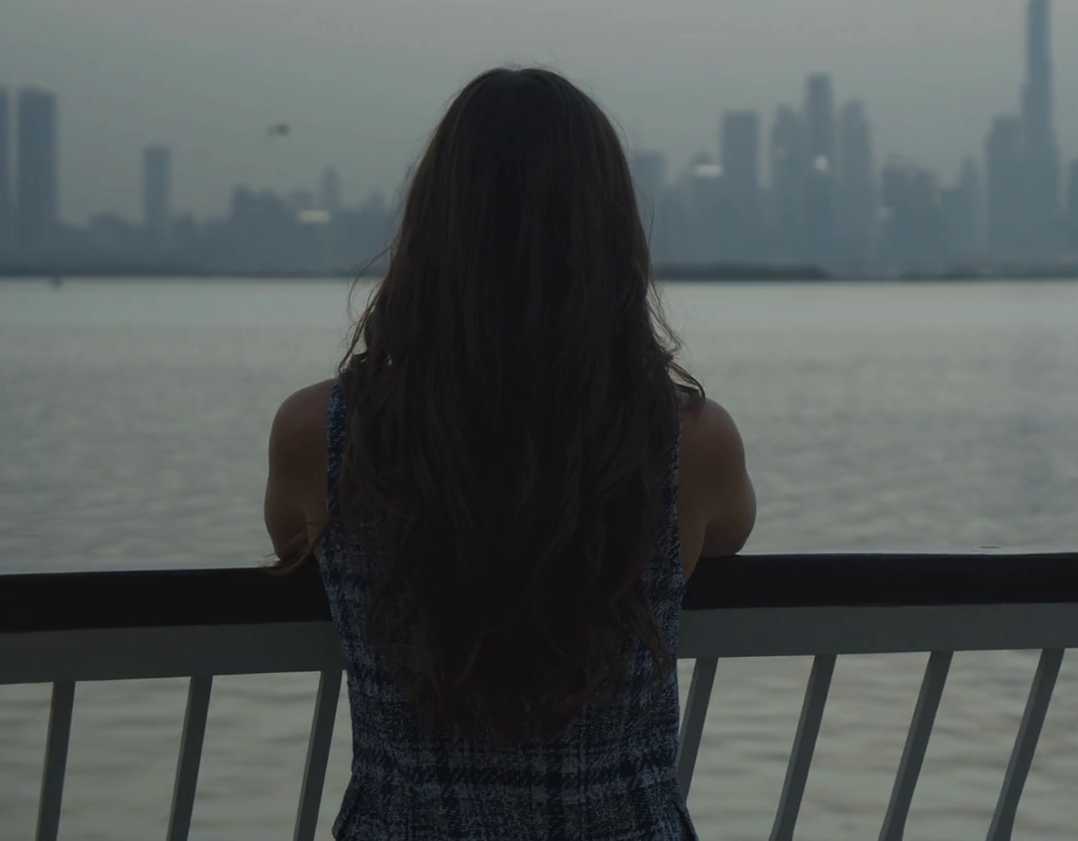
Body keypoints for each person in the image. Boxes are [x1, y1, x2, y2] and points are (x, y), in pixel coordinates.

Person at [263, 67, 756, 839]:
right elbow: (726, 535)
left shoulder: (315, 434)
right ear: (610, 236)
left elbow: (292, 541)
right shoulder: (692, 444)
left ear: (429, 232)